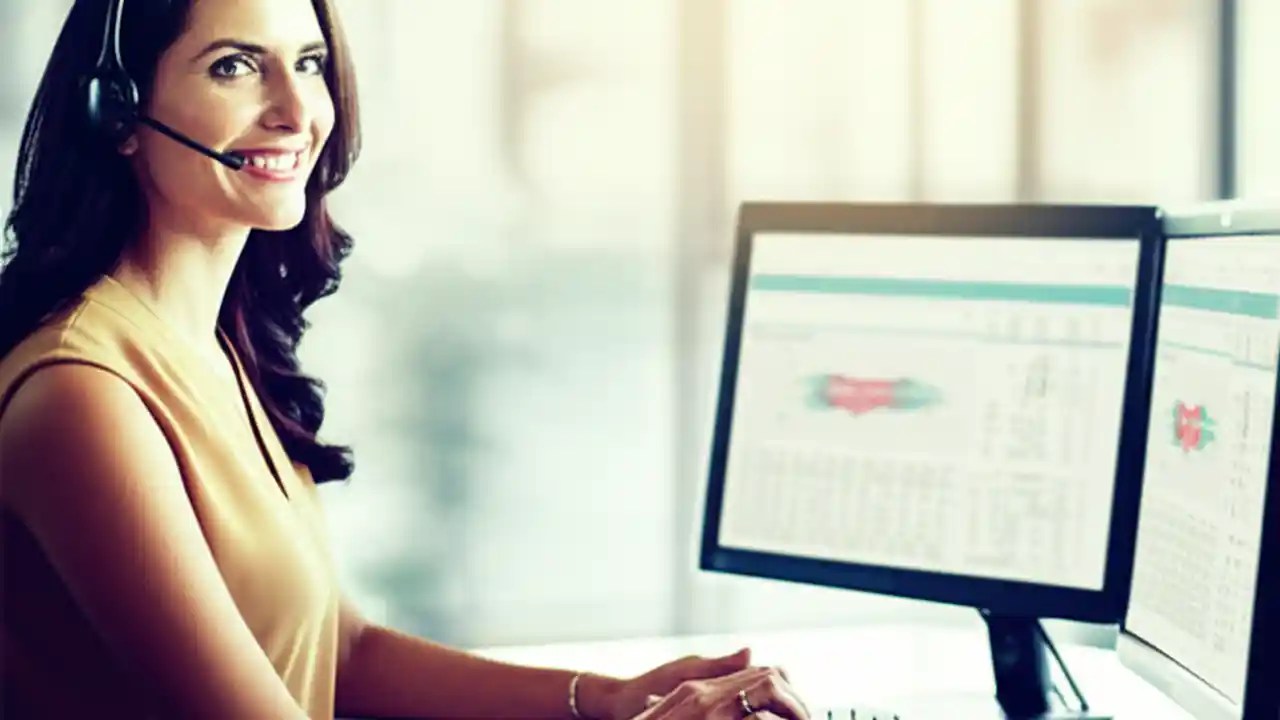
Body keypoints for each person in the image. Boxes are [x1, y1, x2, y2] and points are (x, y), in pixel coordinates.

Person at [0, 1, 812, 719]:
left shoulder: (204, 342)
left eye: (310, 64)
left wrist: (606, 699)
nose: (294, 111)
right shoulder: (84, 395)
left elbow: (342, 653)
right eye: (235, 66)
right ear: (119, 112)